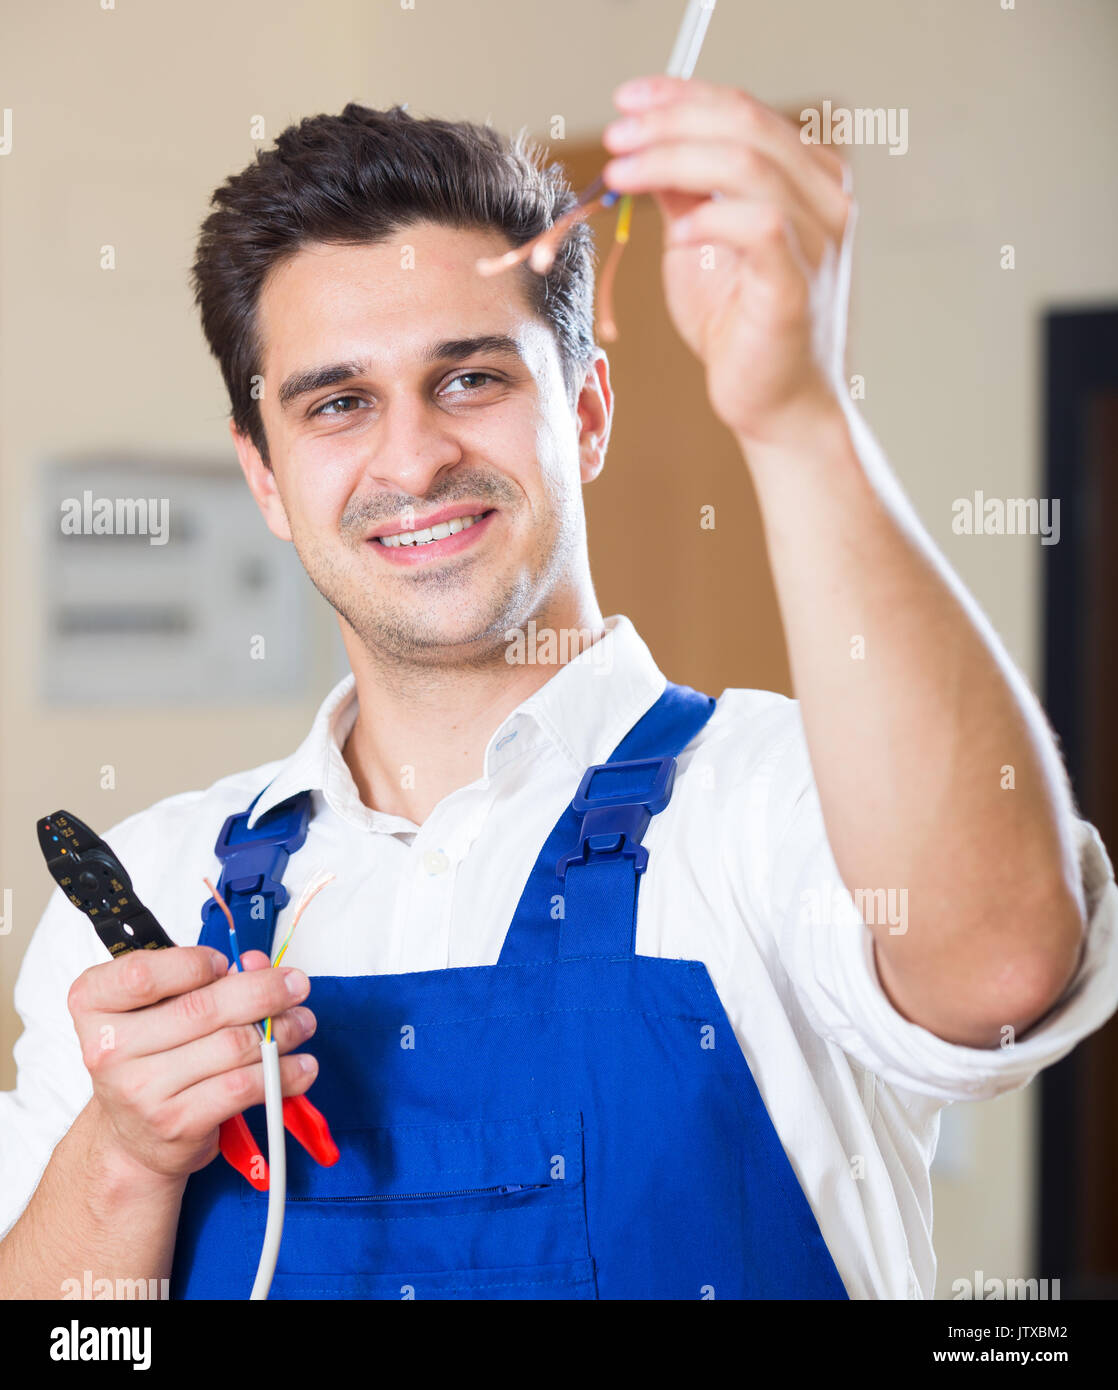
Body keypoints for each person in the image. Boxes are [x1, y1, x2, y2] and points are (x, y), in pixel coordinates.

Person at [2, 77, 1116, 1301]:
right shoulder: (159, 896)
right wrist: (122, 1158)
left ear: (584, 412)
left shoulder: (780, 806)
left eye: (471, 379)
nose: (415, 456)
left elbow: (1002, 968)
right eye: (338, 403)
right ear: (263, 477)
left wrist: (794, 411)